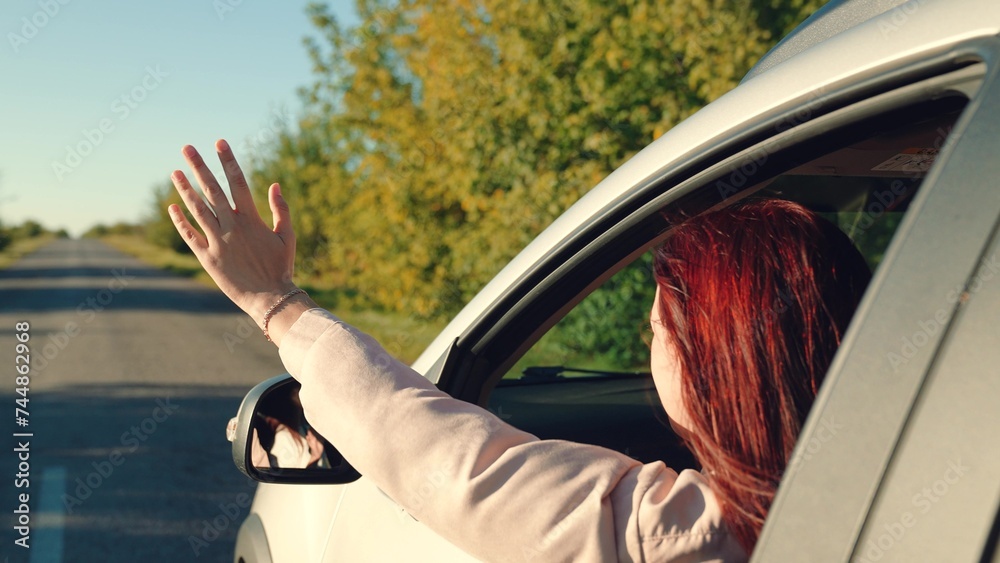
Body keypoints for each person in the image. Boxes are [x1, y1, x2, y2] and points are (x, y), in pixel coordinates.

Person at [168, 140, 871, 561]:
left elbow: (451, 463)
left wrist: (276, 303)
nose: (648, 346)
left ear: (715, 361)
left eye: (657, 330)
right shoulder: (892, 480)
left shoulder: (690, 532)